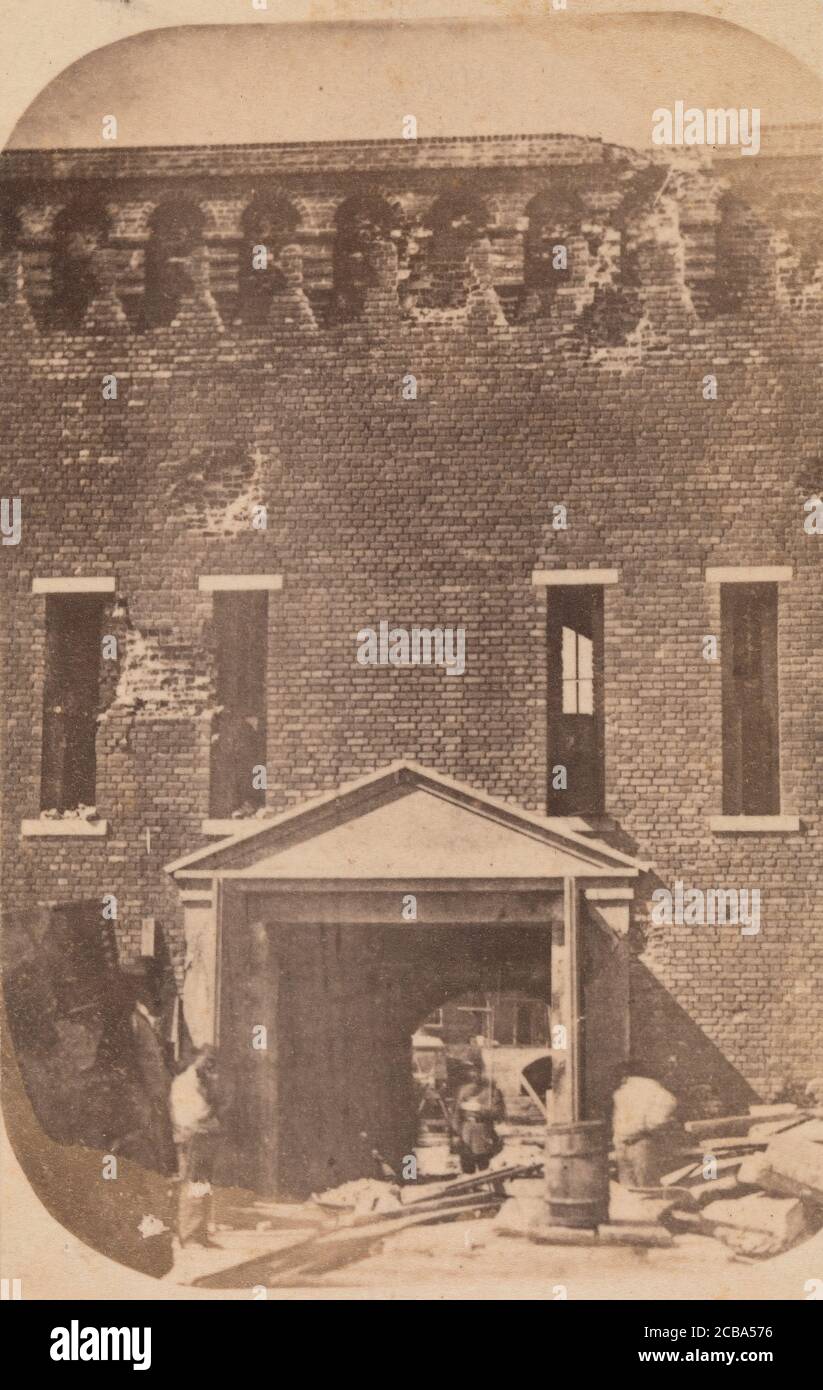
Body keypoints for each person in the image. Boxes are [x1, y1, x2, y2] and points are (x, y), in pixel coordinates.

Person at [170, 1046, 221, 1249]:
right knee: (191, 1186)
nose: (209, 1064)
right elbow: (190, 1114)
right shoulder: (184, 1083)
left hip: (204, 1137)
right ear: (196, 1059)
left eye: (212, 1061)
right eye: (206, 1060)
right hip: (191, 1137)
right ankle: (189, 1236)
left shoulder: (204, 1082)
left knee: (202, 1186)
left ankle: (200, 1233)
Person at [611, 1065, 680, 1188]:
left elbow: (668, 1102)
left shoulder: (638, 1088)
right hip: (631, 1142)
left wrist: (645, 1125)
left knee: (639, 1188)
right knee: (637, 1188)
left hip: (633, 1142)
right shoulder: (624, 1091)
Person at [453, 1062, 505, 1174]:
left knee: (483, 1167)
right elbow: (456, 1114)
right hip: (466, 1132)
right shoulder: (463, 1091)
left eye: (477, 1071)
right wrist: (457, 1133)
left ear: (483, 1073)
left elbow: (499, 1114)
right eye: (471, 1071)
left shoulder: (492, 1091)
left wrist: (480, 1109)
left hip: (483, 1132)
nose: (474, 1074)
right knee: (467, 1167)